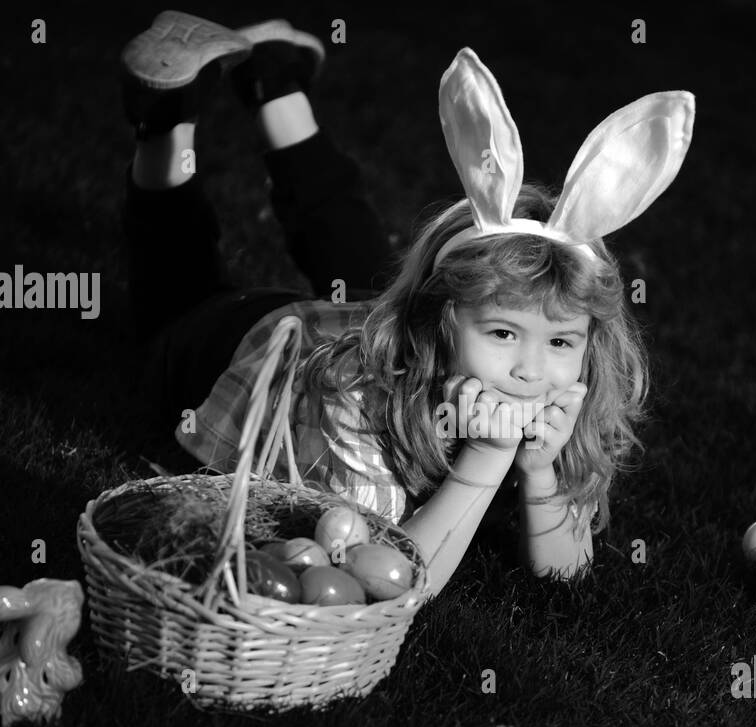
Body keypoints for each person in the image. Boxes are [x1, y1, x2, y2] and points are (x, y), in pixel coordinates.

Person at [119, 11, 695, 597]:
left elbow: (564, 572)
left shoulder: (558, 398)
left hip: (367, 321)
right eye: (502, 334)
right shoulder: (358, 396)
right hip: (240, 340)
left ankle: (276, 84)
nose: (529, 368)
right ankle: (165, 120)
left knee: (356, 254)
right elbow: (391, 580)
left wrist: (540, 469)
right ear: (437, 322)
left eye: (560, 341)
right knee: (177, 297)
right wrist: (488, 456)